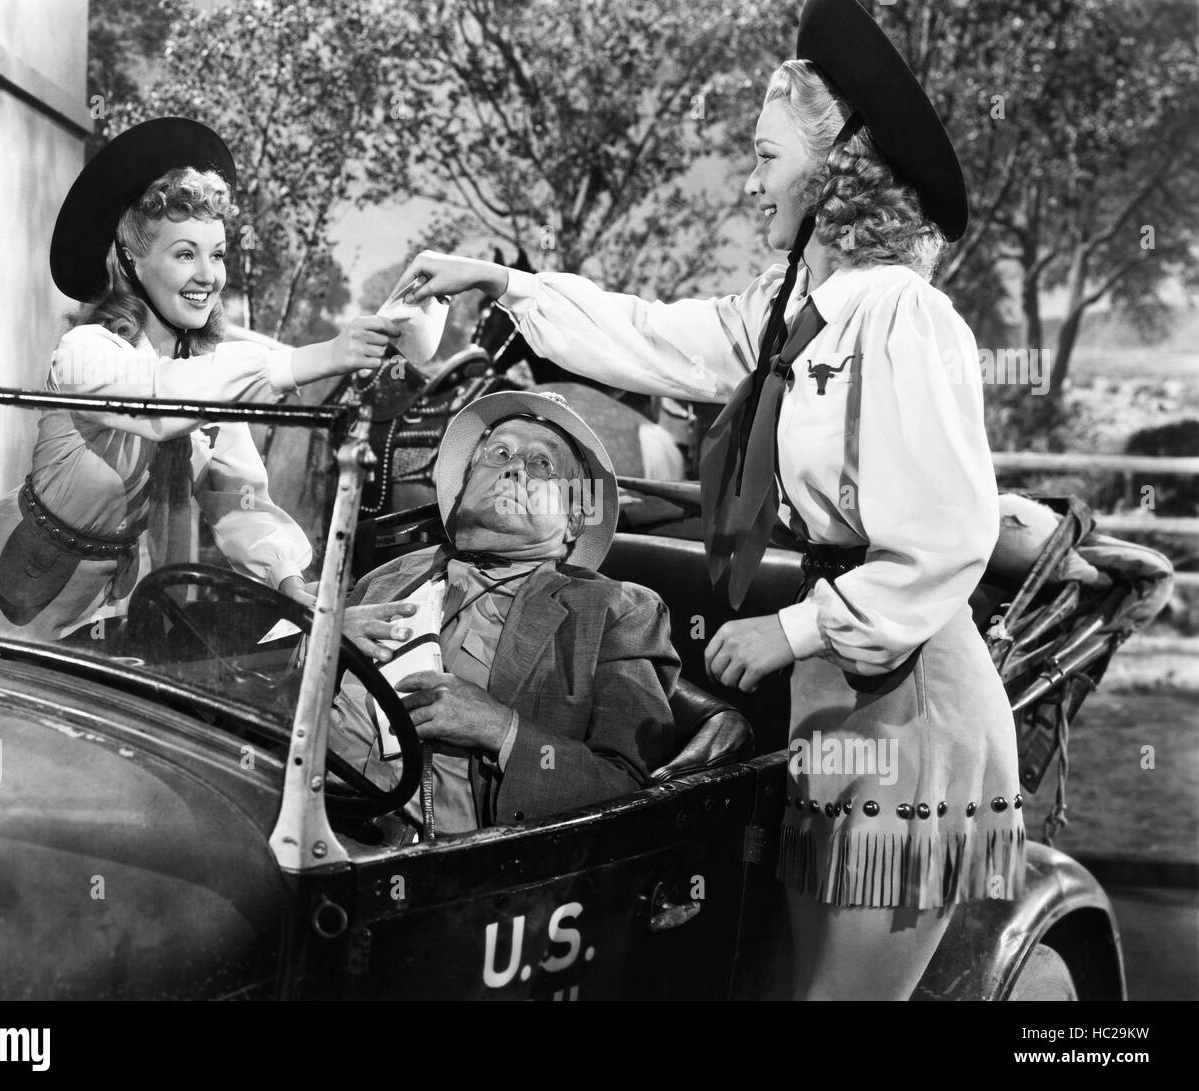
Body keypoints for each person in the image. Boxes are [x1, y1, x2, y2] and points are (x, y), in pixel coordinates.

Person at [383, 0, 1025, 999]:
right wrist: (498, 283)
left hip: (910, 705)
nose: (751, 180)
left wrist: (793, 629)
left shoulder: (903, 311)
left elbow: (947, 537)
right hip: (845, 695)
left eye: (766, 156)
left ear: (837, 164)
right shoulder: (791, 317)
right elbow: (648, 334)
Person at [0, 117, 399, 642]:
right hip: (1, 594)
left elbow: (237, 493)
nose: (208, 276)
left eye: (216, 254)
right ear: (131, 260)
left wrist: (289, 583)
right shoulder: (87, 353)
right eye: (184, 254)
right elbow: (156, 402)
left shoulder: (206, 375)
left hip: (99, 605)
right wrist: (318, 357)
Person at [332, 389, 679, 837]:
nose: (514, 467)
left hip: (423, 858)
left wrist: (499, 727)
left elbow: (628, 793)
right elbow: (264, 680)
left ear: (574, 520)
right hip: (295, 796)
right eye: (499, 453)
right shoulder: (394, 573)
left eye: (542, 465)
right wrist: (321, 637)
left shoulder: (616, 611)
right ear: (464, 489)